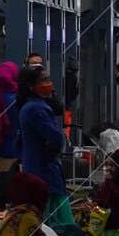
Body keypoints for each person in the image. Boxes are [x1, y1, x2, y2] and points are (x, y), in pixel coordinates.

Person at [16, 63, 72, 227]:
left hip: (34, 167)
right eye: (44, 80)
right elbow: (56, 139)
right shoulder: (37, 109)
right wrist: (51, 153)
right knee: (52, 223)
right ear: (31, 86)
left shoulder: (28, 106)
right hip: (45, 171)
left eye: (48, 79)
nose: (49, 83)